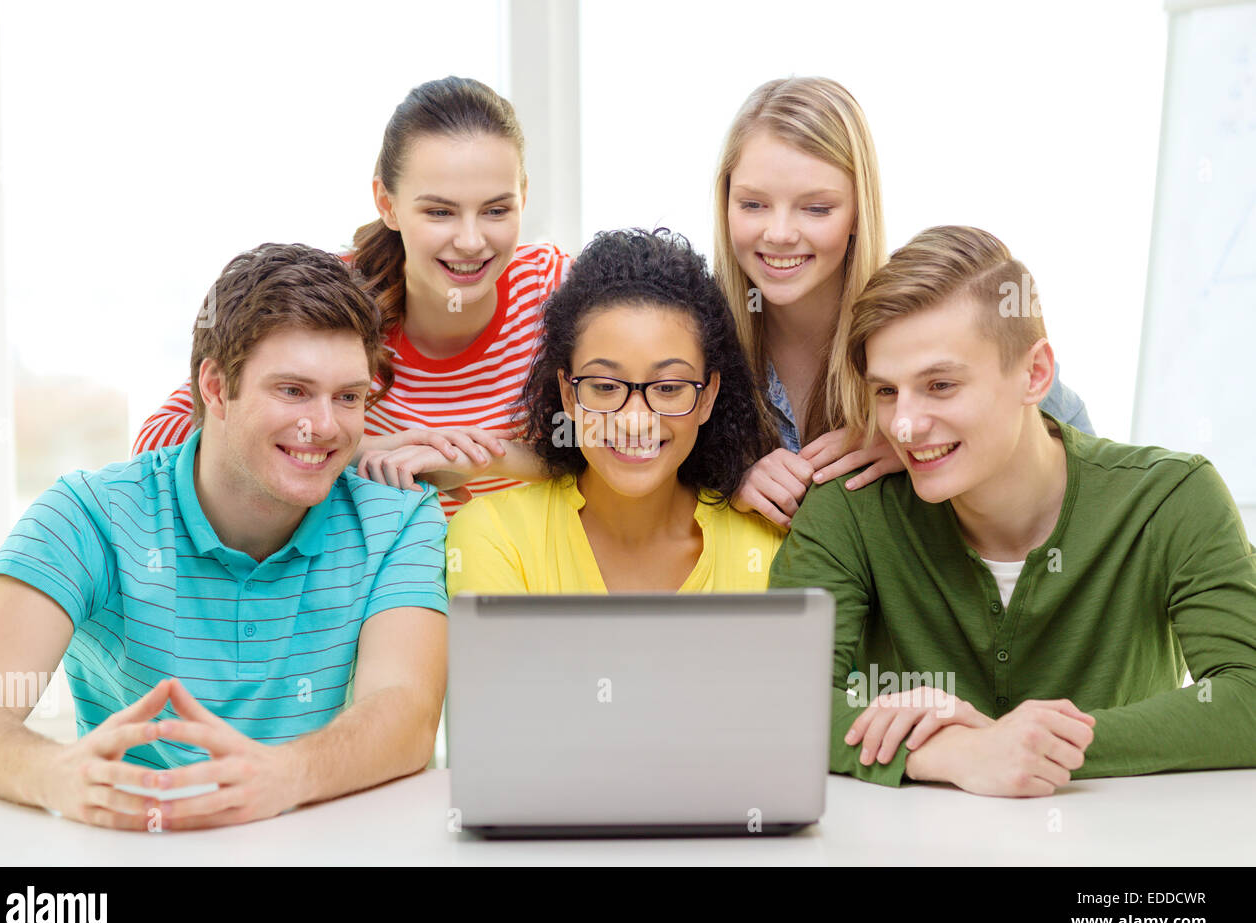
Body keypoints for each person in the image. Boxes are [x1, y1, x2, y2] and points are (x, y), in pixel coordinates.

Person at [0, 244, 449, 829]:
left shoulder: (400, 521)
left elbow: (406, 717)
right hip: (134, 845)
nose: (325, 426)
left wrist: (283, 775)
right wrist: (55, 774)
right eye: (292, 390)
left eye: (348, 397)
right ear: (215, 389)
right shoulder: (86, 515)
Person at [768, 225, 1256, 796]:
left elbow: (1247, 693)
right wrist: (953, 752)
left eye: (940, 385)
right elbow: (780, 707)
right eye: (886, 392)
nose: (903, 424)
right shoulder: (847, 510)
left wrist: (1029, 747)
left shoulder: (1173, 498)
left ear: (1035, 374)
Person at [134, 76, 569, 517]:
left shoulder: (557, 289)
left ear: (524, 196)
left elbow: (627, 441)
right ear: (387, 203)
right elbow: (159, 439)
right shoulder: (329, 298)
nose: (472, 241)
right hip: (363, 582)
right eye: (440, 212)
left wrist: (480, 459)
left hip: (521, 580)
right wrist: (358, 448)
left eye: (496, 210)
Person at [713, 77, 1095, 528]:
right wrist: (723, 474)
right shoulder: (691, 330)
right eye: (753, 205)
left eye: (816, 209)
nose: (778, 233)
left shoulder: (917, 313)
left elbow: (1068, 443)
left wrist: (915, 436)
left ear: (859, 210)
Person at [443, 228, 783, 595]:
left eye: (668, 388)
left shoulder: (767, 550)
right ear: (568, 394)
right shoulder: (492, 535)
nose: (635, 421)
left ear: (707, 397)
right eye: (605, 387)